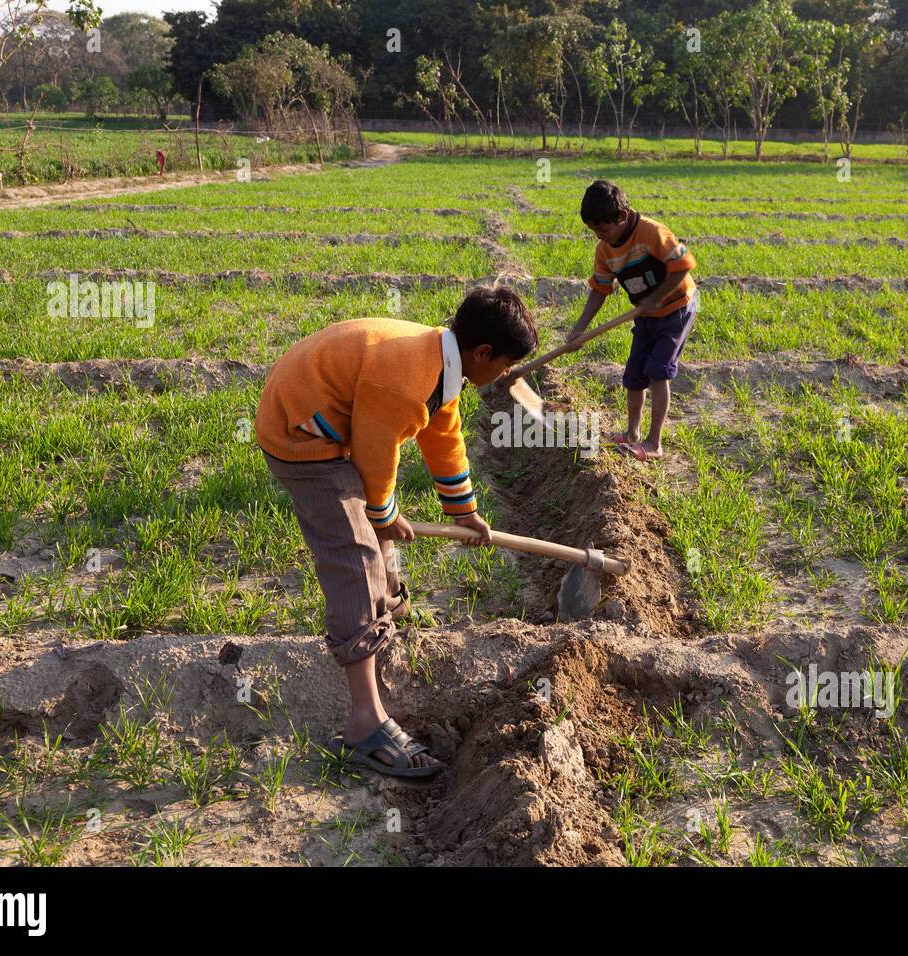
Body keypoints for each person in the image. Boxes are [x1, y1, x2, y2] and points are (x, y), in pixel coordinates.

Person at [255, 286, 538, 776]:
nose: (508, 376)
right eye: (507, 364)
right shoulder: (407, 382)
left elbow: (443, 436)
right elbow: (373, 454)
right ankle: (365, 724)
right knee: (357, 553)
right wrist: (382, 516)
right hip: (299, 431)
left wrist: (462, 510)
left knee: (376, 533)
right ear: (482, 353)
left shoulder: (441, 361)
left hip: (331, 420)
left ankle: (382, 620)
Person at [567, 179, 698, 461]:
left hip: (676, 309)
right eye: (593, 231)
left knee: (657, 370)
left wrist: (658, 297)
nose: (599, 236)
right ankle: (631, 435)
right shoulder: (605, 250)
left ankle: (654, 444)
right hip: (646, 314)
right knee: (634, 374)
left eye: (602, 229)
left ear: (622, 217)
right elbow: (600, 289)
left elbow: (683, 266)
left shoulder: (651, 233)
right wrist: (579, 329)